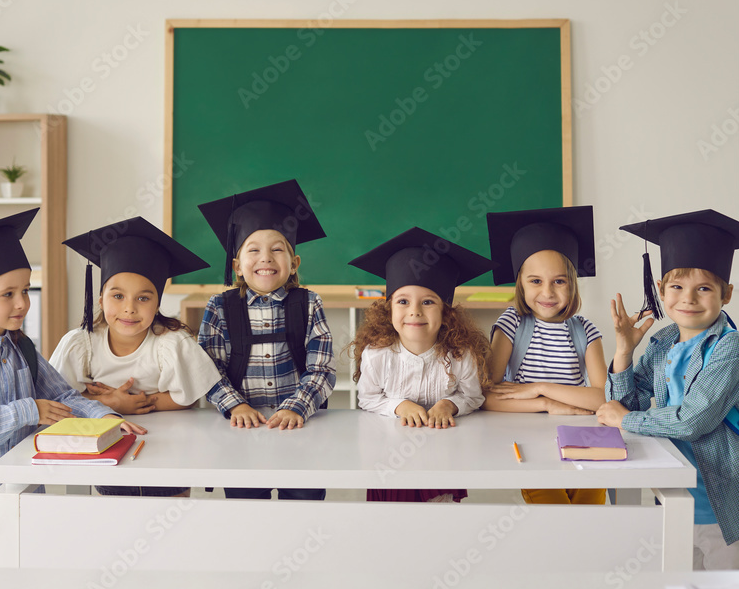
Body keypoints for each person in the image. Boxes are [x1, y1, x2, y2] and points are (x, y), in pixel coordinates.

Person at [0, 209, 144, 566]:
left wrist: (108, 417)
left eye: (25, 289)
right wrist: (29, 410)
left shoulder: (21, 347)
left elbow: (64, 396)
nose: (22, 302)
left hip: (20, 501)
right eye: (7, 294)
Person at [598, 209, 739, 570]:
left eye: (704, 288)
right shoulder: (663, 344)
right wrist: (624, 350)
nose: (689, 298)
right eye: (677, 287)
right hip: (678, 497)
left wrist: (628, 418)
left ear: (726, 294)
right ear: (662, 291)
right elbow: (624, 402)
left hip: (727, 506)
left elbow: (690, 421)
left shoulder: (731, 347)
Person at [50, 217, 222, 496]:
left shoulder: (171, 342)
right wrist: (109, 403)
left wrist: (133, 404)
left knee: (174, 524)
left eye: (143, 298)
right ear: (100, 298)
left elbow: (185, 397)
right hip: (109, 448)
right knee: (118, 520)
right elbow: (59, 399)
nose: (129, 309)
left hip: (171, 451)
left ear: (157, 304)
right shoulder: (82, 343)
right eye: (117, 296)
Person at [198, 179, 335, 500]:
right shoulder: (219, 307)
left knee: (303, 506)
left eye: (278, 249)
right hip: (243, 430)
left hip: (301, 427)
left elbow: (323, 368)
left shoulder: (309, 303)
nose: (266, 258)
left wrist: (297, 408)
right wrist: (236, 406)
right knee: (247, 510)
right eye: (253, 250)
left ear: (294, 263)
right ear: (237, 266)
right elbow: (207, 369)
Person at [349, 227, 491, 503]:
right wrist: (399, 406)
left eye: (428, 302)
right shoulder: (377, 355)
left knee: (440, 522)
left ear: (445, 311)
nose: (414, 311)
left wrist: (449, 405)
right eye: (403, 301)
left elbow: (473, 396)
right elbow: (367, 399)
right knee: (391, 526)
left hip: (443, 455)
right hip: (389, 456)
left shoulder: (460, 355)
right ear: (389, 309)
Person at [482, 206, 607, 505]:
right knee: (552, 516)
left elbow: (604, 398)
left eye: (559, 281)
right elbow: (485, 394)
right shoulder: (512, 324)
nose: (547, 292)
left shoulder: (585, 331)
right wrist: (547, 405)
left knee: (590, 516)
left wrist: (539, 388)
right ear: (520, 284)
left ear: (572, 283)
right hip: (529, 441)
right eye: (535, 281)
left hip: (583, 440)